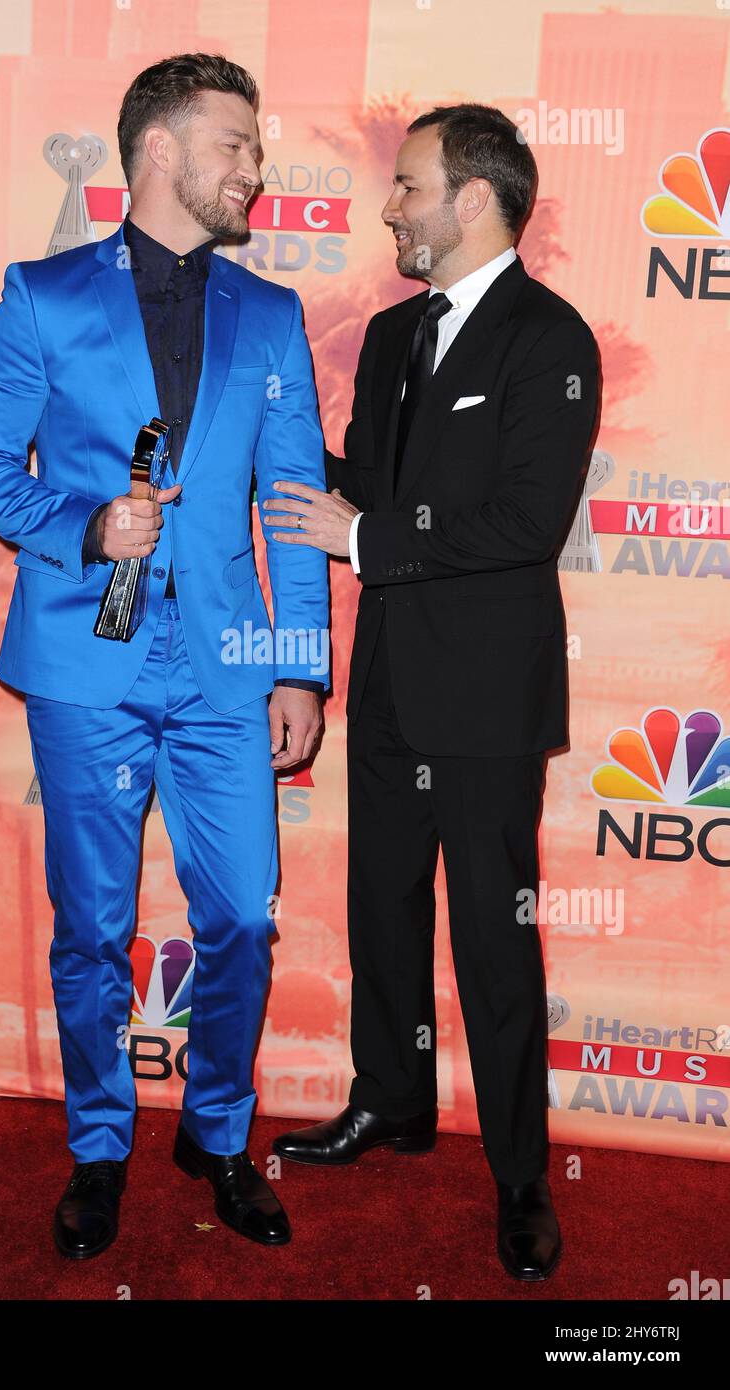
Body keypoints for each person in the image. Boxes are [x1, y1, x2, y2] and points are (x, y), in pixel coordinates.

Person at [0, 52, 329, 1259]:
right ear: (158, 150)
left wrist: (298, 665)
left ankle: (216, 1133)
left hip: (224, 672)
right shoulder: (42, 295)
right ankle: (99, 1146)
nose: (253, 170)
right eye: (234, 146)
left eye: (254, 150)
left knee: (240, 921)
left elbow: (292, 502)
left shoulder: (269, 315)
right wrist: (81, 523)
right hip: (85, 666)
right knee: (93, 926)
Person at [262, 103, 600, 1281]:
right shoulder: (398, 335)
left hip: (488, 699)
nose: (388, 208)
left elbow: (522, 522)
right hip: (392, 682)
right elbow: (367, 483)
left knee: (494, 949)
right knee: (381, 914)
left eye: (406, 187)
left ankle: (518, 1177)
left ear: (472, 198)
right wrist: (280, 458)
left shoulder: (550, 339)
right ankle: (391, 1101)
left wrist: (363, 537)